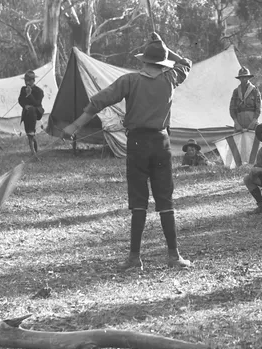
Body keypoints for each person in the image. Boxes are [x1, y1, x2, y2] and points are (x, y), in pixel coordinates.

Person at [62, 33, 193, 271]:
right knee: (165, 199)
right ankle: (173, 255)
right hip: (162, 143)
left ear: (143, 60)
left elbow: (98, 102)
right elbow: (186, 64)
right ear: (164, 62)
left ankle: (134, 258)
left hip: (137, 144)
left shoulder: (130, 80)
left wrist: (74, 126)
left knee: (139, 201)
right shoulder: (171, 78)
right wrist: (165, 46)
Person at [18, 71, 45, 161]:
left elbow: (37, 103)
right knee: (28, 133)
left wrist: (29, 95)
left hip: (35, 113)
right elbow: (20, 100)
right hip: (26, 113)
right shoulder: (23, 89)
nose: (27, 82)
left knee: (31, 131)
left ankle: (34, 152)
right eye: (26, 80)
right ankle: (33, 150)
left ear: (33, 80)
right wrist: (25, 106)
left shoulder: (39, 91)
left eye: (29, 80)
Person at [228, 66, 262, 131]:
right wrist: (236, 123)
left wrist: (253, 122)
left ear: (248, 78)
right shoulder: (236, 92)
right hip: (239, 123)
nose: (243, 79)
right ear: (239, 79)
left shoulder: (254, 90)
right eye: (241, 77)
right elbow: (232, 109)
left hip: (252, 122)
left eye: (245, 77)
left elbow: (258, 108)